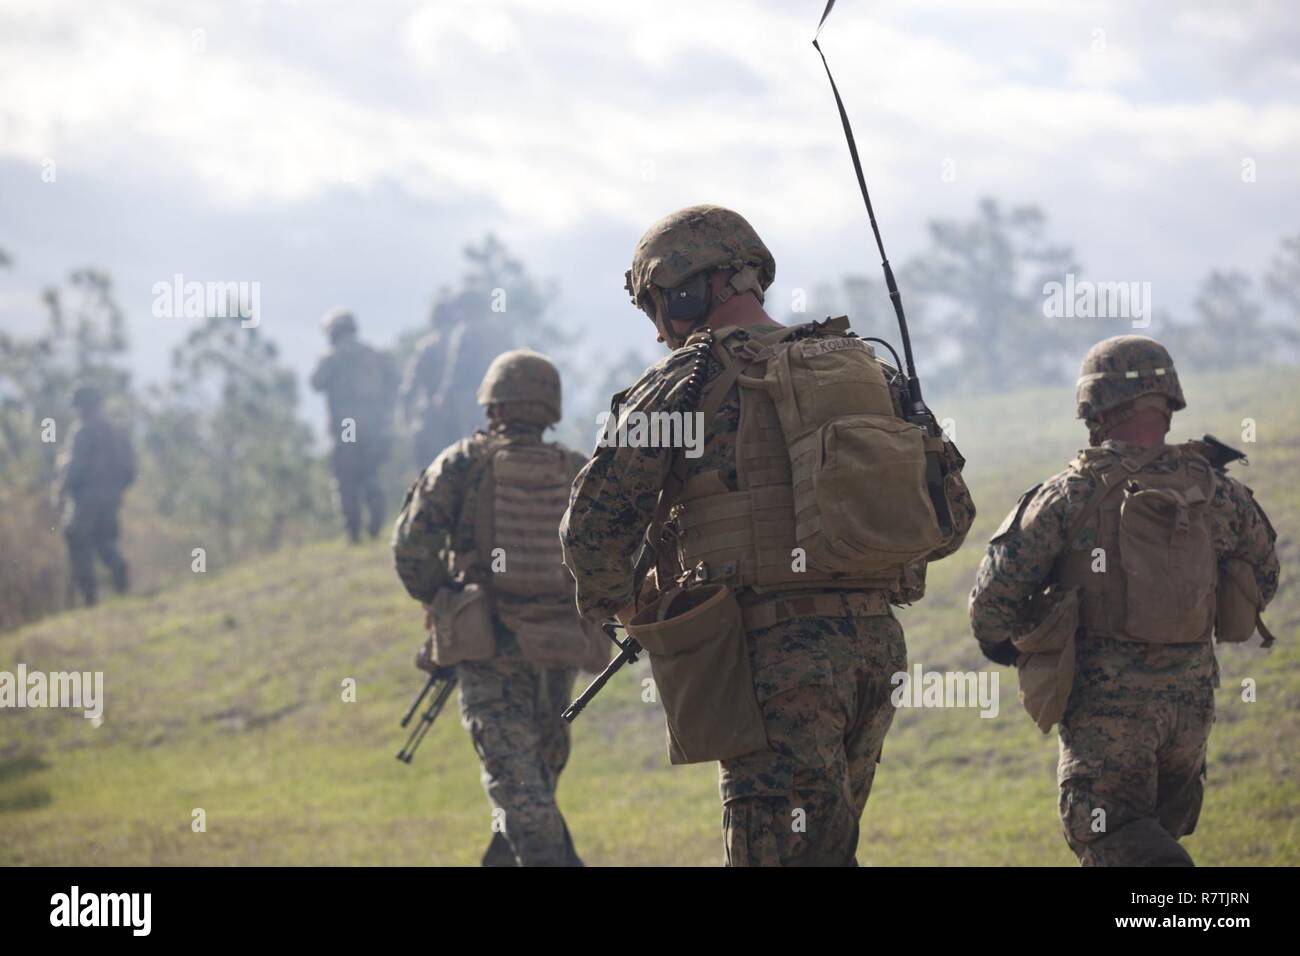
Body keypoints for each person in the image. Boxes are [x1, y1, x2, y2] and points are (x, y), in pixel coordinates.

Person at [560, 204, 972, 866]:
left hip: (771, 659)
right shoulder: (867, 372)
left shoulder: (679, 388)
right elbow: (951, 518)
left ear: (689, 290)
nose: (662, 333)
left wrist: (642, 613)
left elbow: (590, 534)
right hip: (873, 649)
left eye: (659, 308)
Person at [969, 335, 1280, 866]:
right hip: (1191, 711)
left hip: (1108, 714)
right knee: (1151, 837)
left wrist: (1020, 645)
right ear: (1168, 400)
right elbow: (1263, 579)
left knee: (1108, 831)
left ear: (1096, 406)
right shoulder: (1216, 490)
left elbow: (991, 603)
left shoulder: (1072, 493)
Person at [392, 349, 600, 866]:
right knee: (534, 779)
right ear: (549, 407)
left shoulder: (463, 462)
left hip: (490, 646)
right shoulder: (576, 470)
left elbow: (412, 548)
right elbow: (610, 550)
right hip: (558, 645)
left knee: (521, 790)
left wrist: (445, 600)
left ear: (494, 406)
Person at [309, 308, 398, 543]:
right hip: (374, 425)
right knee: (370, 473)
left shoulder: (332, 356)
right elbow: (394, 381)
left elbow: (316, 383)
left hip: (346, 426)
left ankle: (353, 531)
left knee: (346, 479)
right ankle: (376, 523)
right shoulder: (373, 353)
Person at [56, 385, 135, 606]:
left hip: (86, 499)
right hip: (111, 498)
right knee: (104, 541)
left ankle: (89, 598)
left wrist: (62, 489)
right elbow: (129, 471)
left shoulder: (82, 431)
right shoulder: (114, 431)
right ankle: (120, 575)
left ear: (83, 406)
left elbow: (75, 468)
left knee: (77, 541)